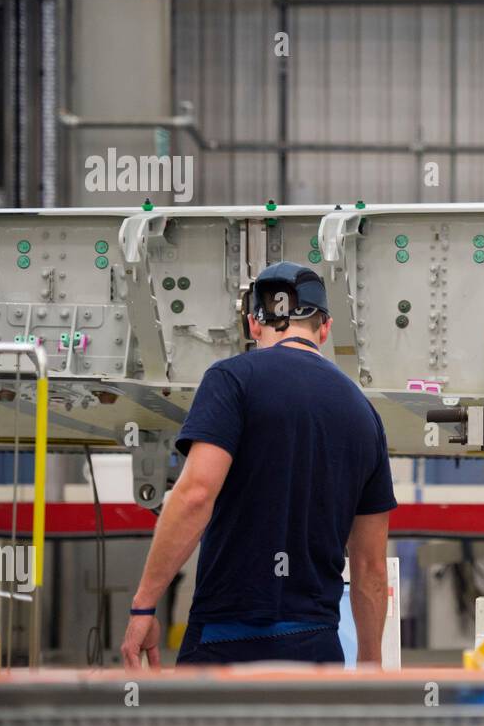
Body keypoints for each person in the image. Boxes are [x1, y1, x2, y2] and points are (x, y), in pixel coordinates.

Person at [121, 261, 396, 666]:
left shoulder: (231, 380)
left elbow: (196, 495)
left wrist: (144, 606)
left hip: (226, 639)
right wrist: (370, 663)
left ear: (253, 324)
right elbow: (371, 567)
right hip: (317, 647)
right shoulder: (364, 414)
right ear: (324, 328)